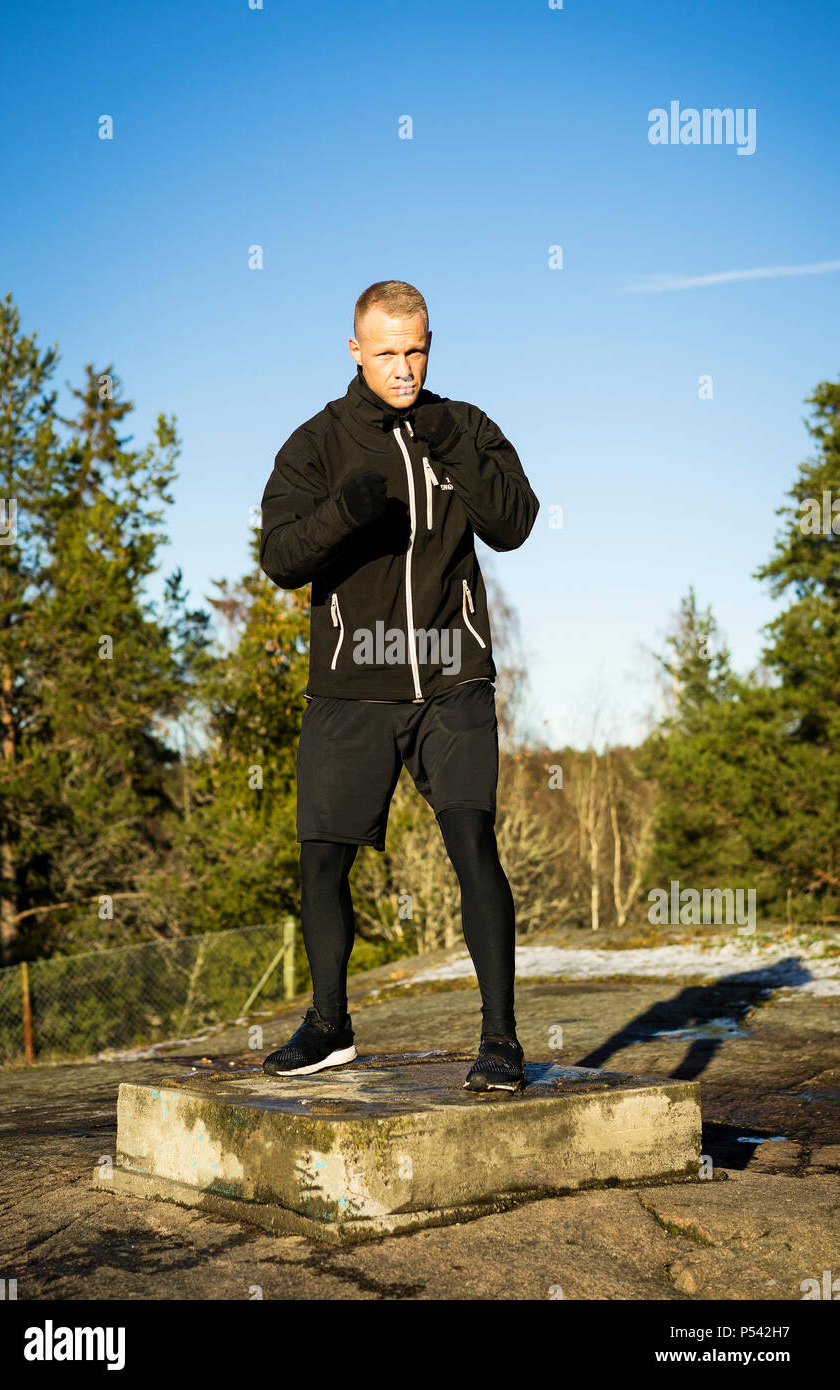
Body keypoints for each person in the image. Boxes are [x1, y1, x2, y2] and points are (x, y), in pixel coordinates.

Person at [257, 280, 539, 1091]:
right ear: (355, 350)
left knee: (472, 842)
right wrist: (342, 514)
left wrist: (449, 440)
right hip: (353, 685)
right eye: (386, 352)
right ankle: (329, 1025)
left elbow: (514, 521)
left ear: (429, 344)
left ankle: (499, 1041)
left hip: (453, 674)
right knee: (321, 861)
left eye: (415, 349)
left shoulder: (466, 425)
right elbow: (278, 558)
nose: (403, 366)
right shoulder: (316, 444)